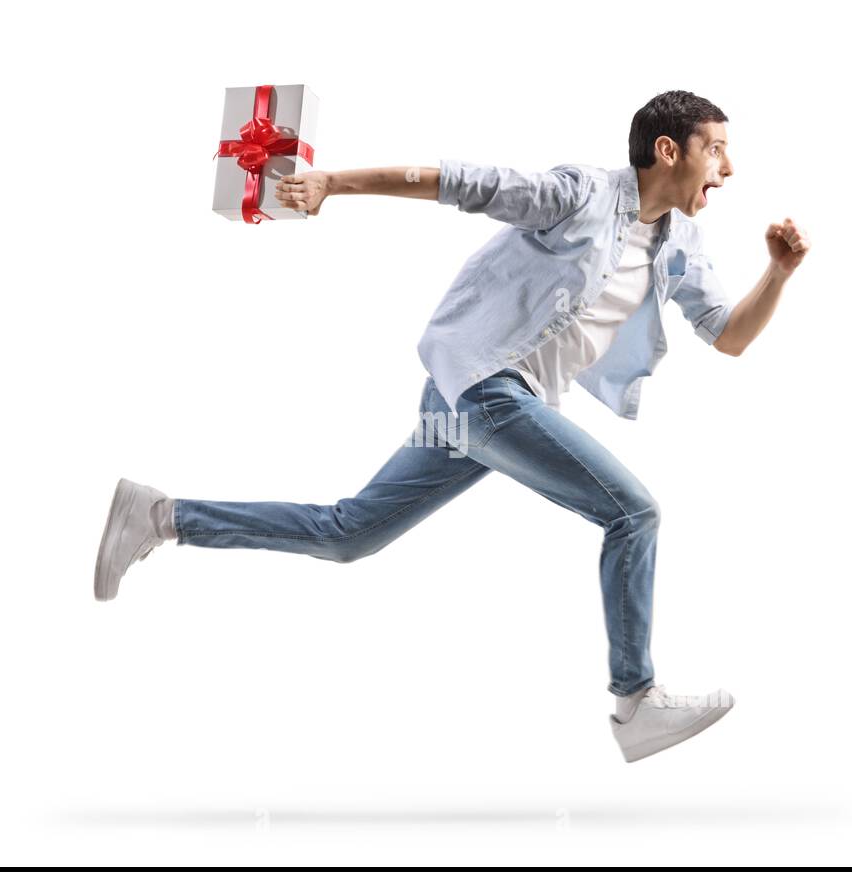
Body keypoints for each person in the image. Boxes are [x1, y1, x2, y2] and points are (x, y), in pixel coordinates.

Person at [94, 90, 811, 763]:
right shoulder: (581, 195)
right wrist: (329, 184)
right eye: (716, 148)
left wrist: (777, 273)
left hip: (467, 408)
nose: (729, 166)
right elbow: (459, 181)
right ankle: (636, 701)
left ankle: (159, 516)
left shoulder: (680, 241)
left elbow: (729, 336)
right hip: (484, 391)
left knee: (349, 533)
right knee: (633, 512)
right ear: (668, 150)